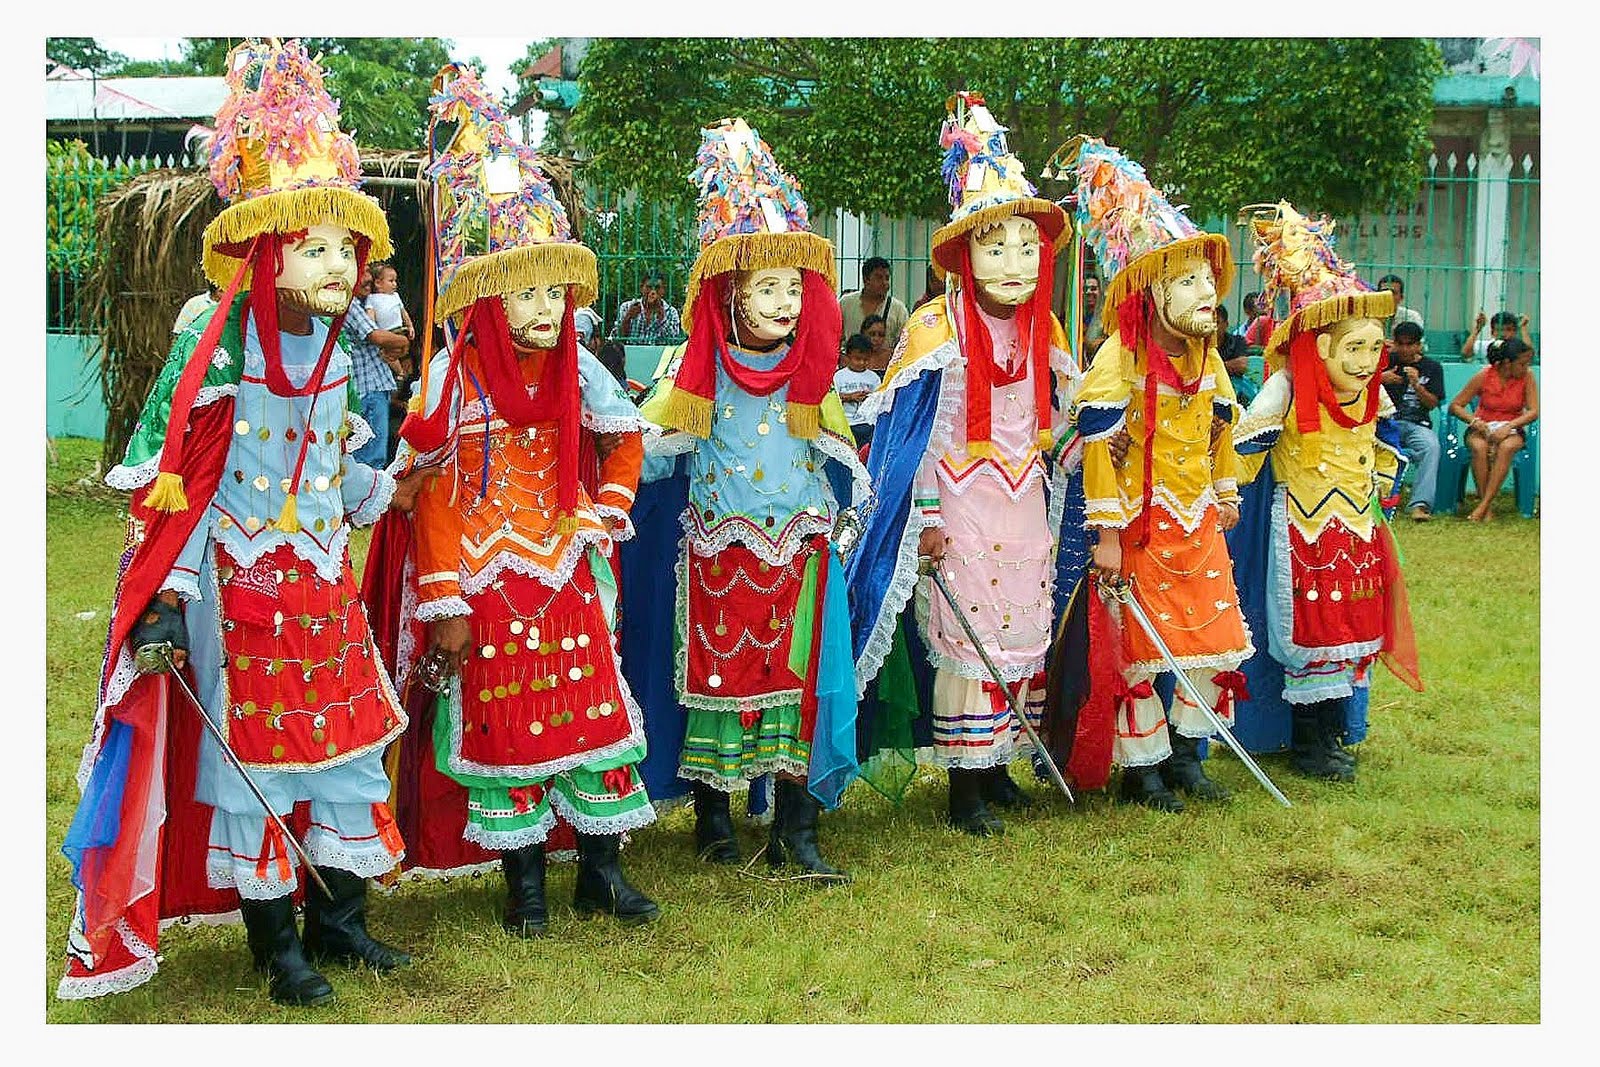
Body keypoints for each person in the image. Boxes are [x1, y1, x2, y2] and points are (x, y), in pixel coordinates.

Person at [58, 40, 420, 1007]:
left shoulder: (339, 355)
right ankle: (277, 947)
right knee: (252, 753)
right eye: (316, 247)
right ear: (266, 252)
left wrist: (390, 486)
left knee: (343, 743)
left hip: (322, 581)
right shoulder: (211, 341)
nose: (341, 264)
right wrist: (166, 600)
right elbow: (175, 478)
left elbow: (330, 471)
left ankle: (340, 922)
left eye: (348, 247)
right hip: (239, 581)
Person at [376, 65, 661, 933]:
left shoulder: (581, 365)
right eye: (525, 290)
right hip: (486, 578)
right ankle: (525, 884)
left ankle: (600, 871)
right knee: (506, 730)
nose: (544, 307)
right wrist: (447, 601)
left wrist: (607, 507)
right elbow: (422, 496)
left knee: (590, 707)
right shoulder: (448, 377)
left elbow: (627, 436)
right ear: (488, 295)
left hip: (566, 562)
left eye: (554, 289)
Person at [640, 117, 867, 880]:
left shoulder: (813, 378)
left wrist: (848, 519)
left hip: (799, 557)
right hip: (719, 557)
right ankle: (713, 815)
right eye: (764, 287)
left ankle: (796, 835)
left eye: (793, 286)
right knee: (717, 686)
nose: (784, 302)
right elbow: (639, 451)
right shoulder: (692, 373)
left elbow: (850, 467)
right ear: (728, 295)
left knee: (800, 690)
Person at [846, 91, 1078, 836]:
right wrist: (927, 518)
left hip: (1024, 503)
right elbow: (912, 433)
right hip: (962, 503)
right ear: (963, 254)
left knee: (1017, 632)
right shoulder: (934, 328)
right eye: (995, 245)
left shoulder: (1046, 327)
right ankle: (965, 787)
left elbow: (1065, 412)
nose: (1014, 262)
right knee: (968, 634)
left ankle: (1000, 763)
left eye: (1025, 246)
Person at [1062, 136, 1252, 812]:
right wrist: (1108, 537)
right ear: (1153, 292)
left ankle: (1189, 756)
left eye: (1208, 279)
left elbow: (1219, 428)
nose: (1207, 294)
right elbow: (1095, 449)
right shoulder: (1122, 356)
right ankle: (1142, 766)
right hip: (1140, 528)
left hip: (1197, 521)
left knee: (1205, 637)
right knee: (1139, 647)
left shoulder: (1211, 358)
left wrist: (1224, 489)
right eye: (1189, 281)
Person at [1229, 200, 1422, 782]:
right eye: (1353, 349)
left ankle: (1335, 731)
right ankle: (1308, 742)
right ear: (1318, 348)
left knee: (1353, 627)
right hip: (1303, 529)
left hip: (1357, 528)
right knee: (1309, 631)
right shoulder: (1285, 387)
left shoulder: (1369, 394)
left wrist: (1385, 477)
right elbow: (1243, 449)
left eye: (1371, 348)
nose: (1366, 362)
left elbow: (1383, 443)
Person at [1448, 337, 1539, 521]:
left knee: (1506, 448)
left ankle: (1483, 506)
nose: (1525, 367)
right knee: (1479, 448)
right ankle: (1486, 507)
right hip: (1483, 426)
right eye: (1522, 364)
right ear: (1507, 363)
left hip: (1511, 428)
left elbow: (1534, 411)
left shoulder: (1527, 377)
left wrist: (1510, 426)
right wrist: (1474, 422)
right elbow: (1455, 405)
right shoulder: (1485, 375)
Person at [342, 265, 411, 468]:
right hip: (369, 389)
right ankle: (368, 499)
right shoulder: (350, 304)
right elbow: (376, 336)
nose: (368, 279)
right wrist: (403, 343)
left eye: (369, 274)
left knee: (368, 455)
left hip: (370, 389)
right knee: (371, 460)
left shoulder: (364, 303)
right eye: (362, 273)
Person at [1381, 319, 1445, 520]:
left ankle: (1420, 505)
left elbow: (1433, 403)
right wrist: (1380, 379)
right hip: (1385, 422)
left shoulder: (1432, 367)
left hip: (1417, 425)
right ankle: (1375, 501)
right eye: (1400, 344)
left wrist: (1417, 385)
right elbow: (1360, 389)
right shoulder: (1384, 362)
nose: (1404, 349)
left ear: (1418, 345)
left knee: (1431, 447)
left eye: (1410, 344)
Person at [839, 255, 909, 352]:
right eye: (879, 278)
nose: (885, 283)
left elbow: (904, 343)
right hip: (850, 364)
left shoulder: (899, 310)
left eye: (887, 278)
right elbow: (836, 338)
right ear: (866, 279)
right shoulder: (845, 304)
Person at [835, 333, 881, 447]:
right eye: (857, 359)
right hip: (845, 424)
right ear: (848, 356)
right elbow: (832, 398)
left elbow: (879, 400)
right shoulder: (839, 376)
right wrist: (849, 397)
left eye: (865, 360)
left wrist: (869, 398)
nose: (861, 363)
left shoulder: (874, 378)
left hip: (867, 424)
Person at [613, 272, 685, 344]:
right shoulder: (627, 307)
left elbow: (673, 341)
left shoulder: (671, 312)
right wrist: (628, 318)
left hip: (660, 354)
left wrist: (662, 319)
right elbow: (616, 339)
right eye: (649, 287)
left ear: (663, 290)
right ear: (641, 288)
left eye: (657, 288)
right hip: (631, 353)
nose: (653, 292)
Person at [1215, 305, 1258, 407]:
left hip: (1233, 391)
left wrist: (1213, 368)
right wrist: (1228, 366)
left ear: (1226, 324)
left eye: (1217, 323)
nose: (1212, 327)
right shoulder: (1199, 344)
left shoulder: (1238, 341)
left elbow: (1241, 365)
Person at [364, 262, 416, 341]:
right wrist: (374, 331)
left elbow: (403, 313)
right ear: (378, 283)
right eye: (391, 281)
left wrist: (410, 326)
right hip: (384, 334)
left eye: (395, 281)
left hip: (400, 330)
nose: (395, 284)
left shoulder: (395, 296)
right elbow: (370, 316)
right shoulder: (371, 298)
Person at [1460, 309, 1535, 362]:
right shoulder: (1485, 346)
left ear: (1515, 332)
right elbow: (1466, 354)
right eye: (1499, 330)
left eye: (1508, 329)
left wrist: (1523, 328)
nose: (1503, 334)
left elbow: (1529, 356)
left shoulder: (1518, 347)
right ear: (1492, 332)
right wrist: (1477, 329)